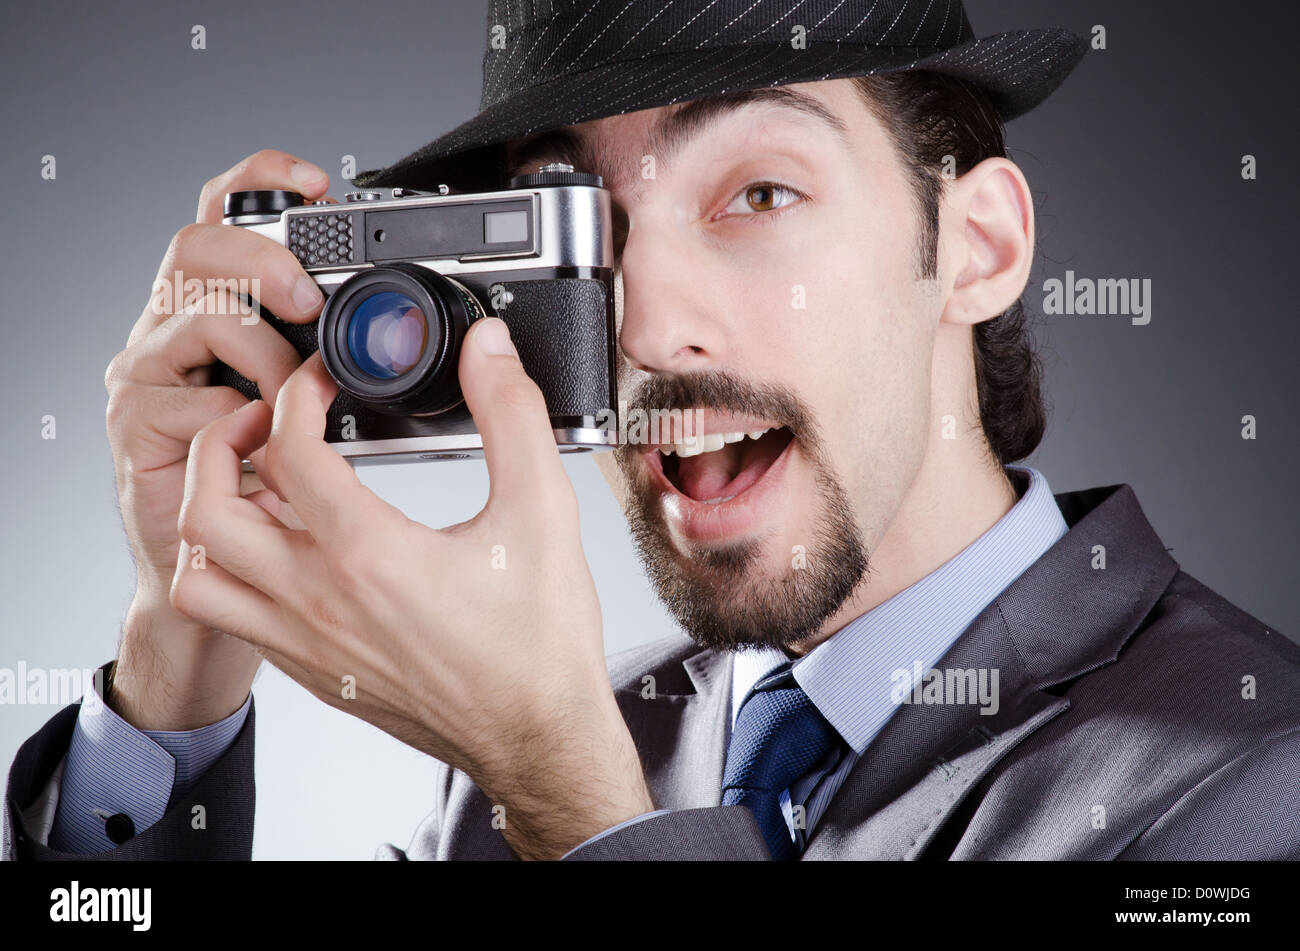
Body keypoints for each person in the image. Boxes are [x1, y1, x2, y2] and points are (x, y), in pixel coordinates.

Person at [6, 0, 1299, 861]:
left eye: (757, 192)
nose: (644, 324)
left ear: (977, 246)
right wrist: (176, 663)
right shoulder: (563, 734)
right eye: (582, 235)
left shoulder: (1249, 783)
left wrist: (574, 809)